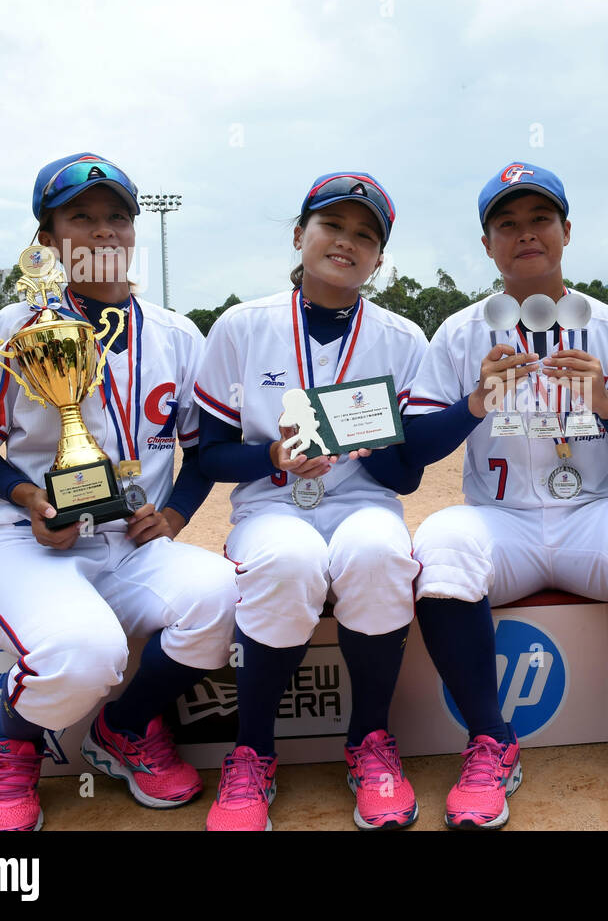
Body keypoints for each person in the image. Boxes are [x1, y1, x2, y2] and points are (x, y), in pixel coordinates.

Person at [403, 162, 608, 829]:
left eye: (540, 219)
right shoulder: (462, 332)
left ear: (566, 231)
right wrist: (474, 401)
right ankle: (490, 739)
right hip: (501, 519)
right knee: (438, 545)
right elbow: (418, 448)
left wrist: (606, 402)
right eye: (506, 224)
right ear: (487, 244)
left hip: (592, 516)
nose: (525, 235)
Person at [0, 152, 239, 830]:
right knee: (86, 652)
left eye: (116, 217)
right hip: (37, 545)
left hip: (134, 545)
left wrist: (174, 512)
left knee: (227, 592)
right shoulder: (18, 325)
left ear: (133, 230)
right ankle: (13, 745)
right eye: (81, 217)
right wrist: (29, 501)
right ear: (48, 237)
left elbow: (204, 453)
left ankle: (126, 726)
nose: (103, 232)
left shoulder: (176, 334)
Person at [195, 171, 427, 831]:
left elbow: (406, 477)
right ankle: (252, 751)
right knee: (290, 560)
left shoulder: (402, 338)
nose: (346, 242)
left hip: (364, 504)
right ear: (300, 236)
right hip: (270, 507)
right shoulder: (243, 326)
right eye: (332, 226)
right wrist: (273, 456)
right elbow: (208, 454)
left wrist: (368, 443)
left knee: (382, 552)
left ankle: (371, 742)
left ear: (379, 258)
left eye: (365, 235)